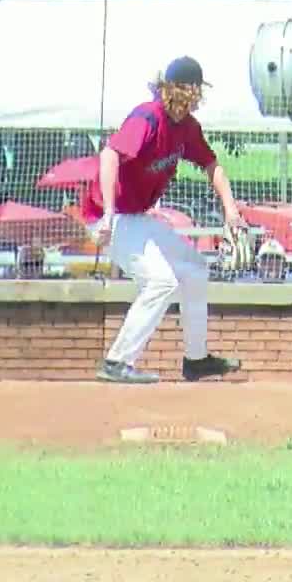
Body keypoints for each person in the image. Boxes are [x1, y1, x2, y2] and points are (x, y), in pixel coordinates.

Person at [83, 56, 244, 384]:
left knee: (195, 270)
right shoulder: (148, 117)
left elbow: (212, 165)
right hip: (109, 215)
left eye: (194, 92)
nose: (191, 98)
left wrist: (231, 210)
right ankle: (117, 362)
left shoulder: (187, 128)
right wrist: (109, 214)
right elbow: (110, 154)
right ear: (169, 90)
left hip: (135, 217)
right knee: (161, 282)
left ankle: (196, 360)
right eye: (185, 90)